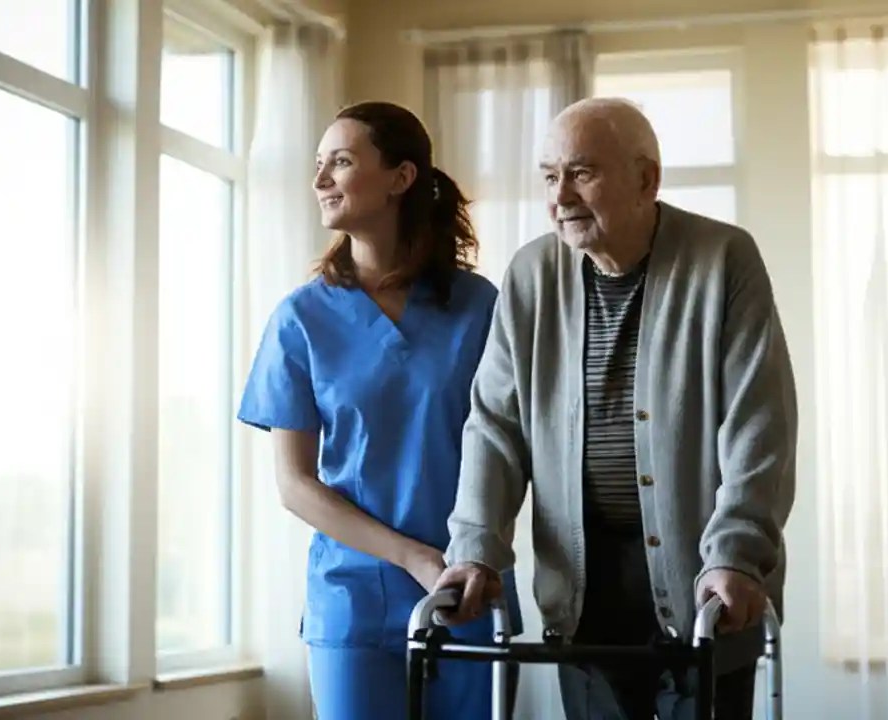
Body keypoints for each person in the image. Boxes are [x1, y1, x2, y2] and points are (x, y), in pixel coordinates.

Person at [434, 97, 797, 720]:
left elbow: (758, 424)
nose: (560, 196)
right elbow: (495, 425)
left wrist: (739, 551)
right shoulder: (531, 274)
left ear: (646, 179)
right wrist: (474, 545)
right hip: (584, 584)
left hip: (702, 571)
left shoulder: (723, 259)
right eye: (550, 177)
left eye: (582, 173)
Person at [236, 101, 522, 720]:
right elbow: (295, 484)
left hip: (468, 588)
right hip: (352, 600)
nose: (320, 181)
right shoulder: (300, 320)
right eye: (318, 164)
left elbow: (518, 448)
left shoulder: (480, 308)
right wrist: (412, 557)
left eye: (340, 162)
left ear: (401, 177)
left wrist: (466, 555)